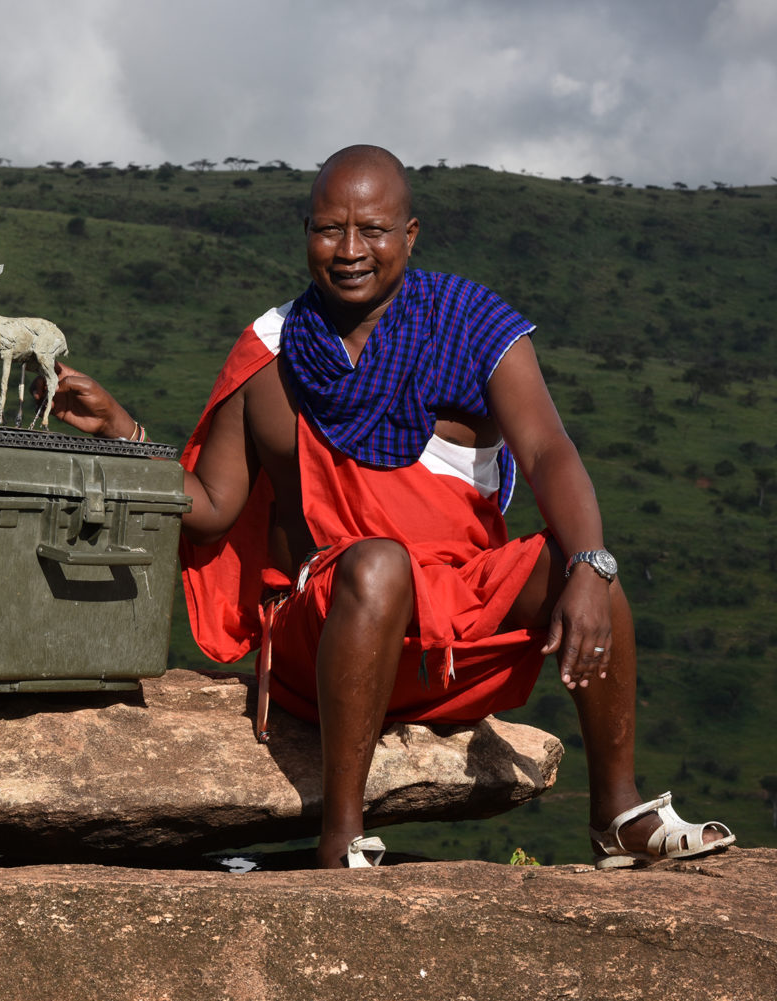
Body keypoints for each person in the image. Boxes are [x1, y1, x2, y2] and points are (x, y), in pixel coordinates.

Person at [44, 144, 736, 869]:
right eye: (328, 229)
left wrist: (592, 564)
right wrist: (127, 435)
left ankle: (617, 815)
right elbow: (213, 507)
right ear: (304, 230)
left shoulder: (471, 325)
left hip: (453, 626)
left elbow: (547, 452)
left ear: (410, 234)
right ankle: (342, 839)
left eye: (372, 230)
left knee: (586, 563)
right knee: (377, 563)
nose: (349, 251)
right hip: (331, 636)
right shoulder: (272, 349)